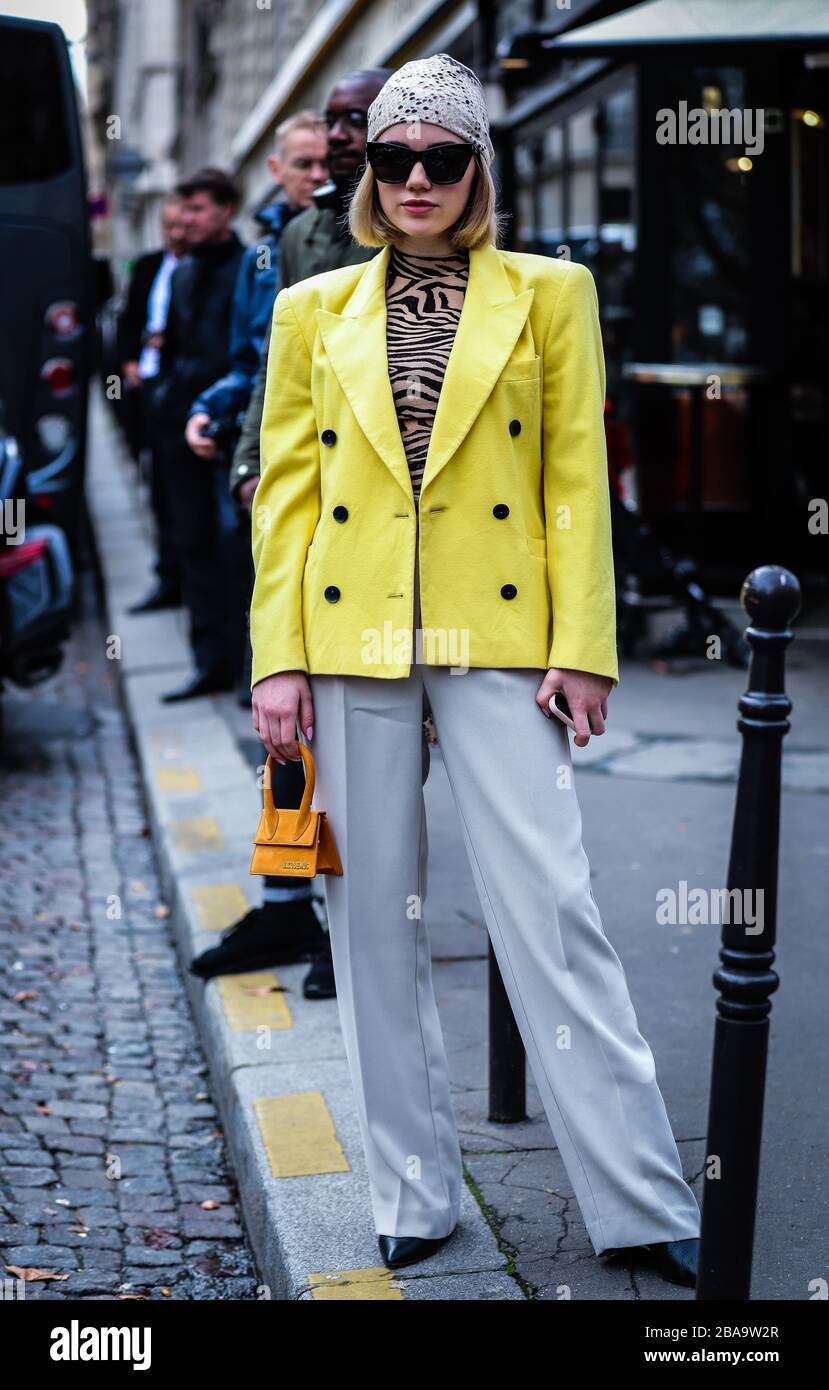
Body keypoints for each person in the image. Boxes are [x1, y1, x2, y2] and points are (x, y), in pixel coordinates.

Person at [247, 53, 703, 1284]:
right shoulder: (311, 311)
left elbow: (574, 481)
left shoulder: (552, 292)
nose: (416, 178)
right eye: (395, 155)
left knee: (552, 909)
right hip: (348, 637)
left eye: (442, 157)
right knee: (370, 927)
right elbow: (286, 500)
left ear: (476, 170)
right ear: (369, 169)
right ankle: (410, 1191)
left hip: (497, 638)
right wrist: (276, 661)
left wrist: (583, 648)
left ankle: (640, 1196)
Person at [192, 69, 393, 1000]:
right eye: (335, 123)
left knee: (362, 746)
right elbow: (270, 363)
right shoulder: (299, 236)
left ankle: (347, 919)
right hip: (293, 500)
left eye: (357, 122)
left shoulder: (401, 226)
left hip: (373, 519)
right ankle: (286, 899)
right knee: (282, 717)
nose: (342, 137)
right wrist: (247, 461)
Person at [152, 167, 247, 703]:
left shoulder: (250, 265)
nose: (187, 219)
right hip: (177, 427)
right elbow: (173, 346)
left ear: (225, 210)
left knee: (236, 547)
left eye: (198, 209)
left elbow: (250, 354)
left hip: (228, 428)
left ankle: (246, 666)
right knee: (190, 542)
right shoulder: (184, 272)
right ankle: (208, 663)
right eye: (184, 209)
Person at [118, 196, 188, 612]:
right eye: (169, 227)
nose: (176, 234)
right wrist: (130, 362)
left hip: (183, 391)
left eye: (182, 226)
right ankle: (167, 574)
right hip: (148, 386)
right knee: (157, 484)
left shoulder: (200, 269)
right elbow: (129, 319)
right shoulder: (148, 266)